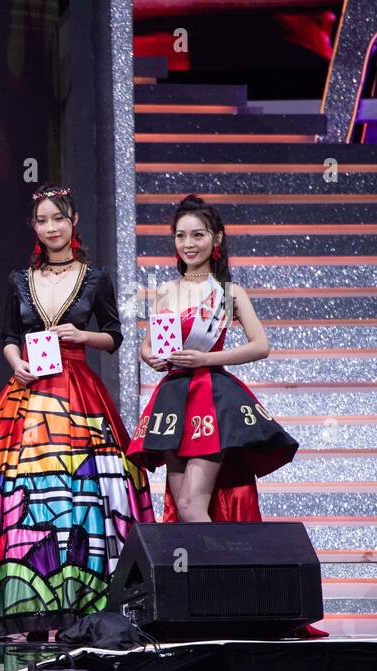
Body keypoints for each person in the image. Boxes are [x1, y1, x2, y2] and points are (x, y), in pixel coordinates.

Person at [0, 184, 153, 640]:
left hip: (78, 392)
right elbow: (7, 334)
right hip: (28, 393)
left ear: (73, 221)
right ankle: (28, 610)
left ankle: (85, 607)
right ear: (35, 227)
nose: (50, 228)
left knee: (79, 491)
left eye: (57, 219)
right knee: (25, 492)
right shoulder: (18, 279)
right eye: (42, 221)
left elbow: (115, 335)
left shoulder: (95, 277)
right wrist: (16, 364)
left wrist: (84, 338)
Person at [127, 194, 299, 522]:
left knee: (192, 505)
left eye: (197, 235)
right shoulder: (165, 290)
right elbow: (147, 346)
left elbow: (260, 345)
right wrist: (152, 359)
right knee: (181, 507)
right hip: (173, 398)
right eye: (180, 236)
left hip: (210, 397)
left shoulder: (228, 293)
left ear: (216, 238)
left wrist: (205, 359)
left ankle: (222, 573)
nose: (188, 244)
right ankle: (199, 573)